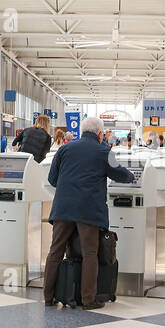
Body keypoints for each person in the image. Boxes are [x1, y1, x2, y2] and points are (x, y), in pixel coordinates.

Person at [43, 115, 135, 310]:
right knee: (90, 253)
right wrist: (131, 176)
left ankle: (48, 297)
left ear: (82, 131)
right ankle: (88, 299)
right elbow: (120, 174)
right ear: (100, 134)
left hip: (63, 208)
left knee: (55, 252)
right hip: (88, 210)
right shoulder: (104, 150)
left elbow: (52, 179)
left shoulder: (65, 148)